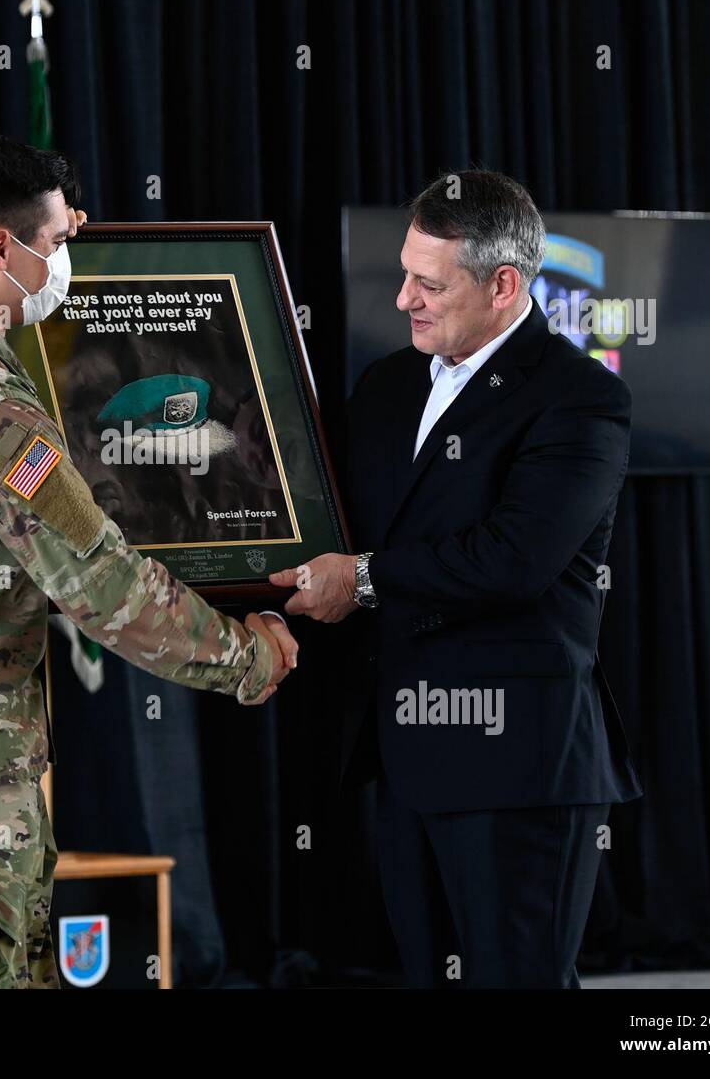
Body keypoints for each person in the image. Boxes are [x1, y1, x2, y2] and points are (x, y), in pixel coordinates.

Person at [0, 130, 298, 989]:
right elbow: (100, 580)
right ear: (1, 248)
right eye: (58, 245)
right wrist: (248, 657)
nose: (65, 264)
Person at [271, 170, 641, 988]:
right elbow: (311, 514)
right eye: (404, 272)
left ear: (504, 284)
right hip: (404, 756)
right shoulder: (386, 386)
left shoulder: (581, 401)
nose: (403, 298)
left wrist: (359, 581)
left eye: (428, 282)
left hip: (520, 765)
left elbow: (512, 561)